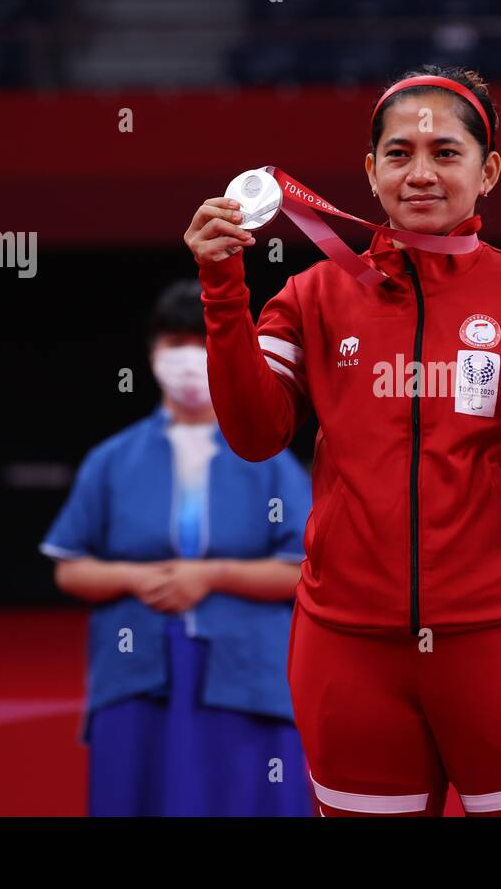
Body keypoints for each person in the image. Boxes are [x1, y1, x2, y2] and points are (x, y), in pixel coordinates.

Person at [183, 65, 501, 817]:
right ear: (370, 171)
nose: (420, 173)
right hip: (349, 651)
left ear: (488, 171)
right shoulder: (314, 295)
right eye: (398, 154)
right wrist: (222, 286)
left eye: (446, 153)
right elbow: (256, 435)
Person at [39, 280, 314, 816]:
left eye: (203, 344)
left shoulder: (269, 459)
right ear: (152, 354)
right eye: (174, 344)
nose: (189, 360)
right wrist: (136, 579)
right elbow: (69, 568)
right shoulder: (111, 460)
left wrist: (211, 576)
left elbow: (306, 571)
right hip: (134, 673)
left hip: (248, 677)